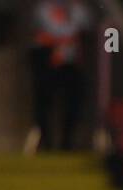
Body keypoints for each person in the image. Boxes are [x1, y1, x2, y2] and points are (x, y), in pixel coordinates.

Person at [26, 0, 92, 152]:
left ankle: (67, 141)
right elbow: (43, 35)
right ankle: (46, 141)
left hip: (71, 63)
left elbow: (86, 30)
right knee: (44, 102)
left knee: (75, 100)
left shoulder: (79, 9)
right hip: (45, 60)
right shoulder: (41, 8)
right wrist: (63, 41)